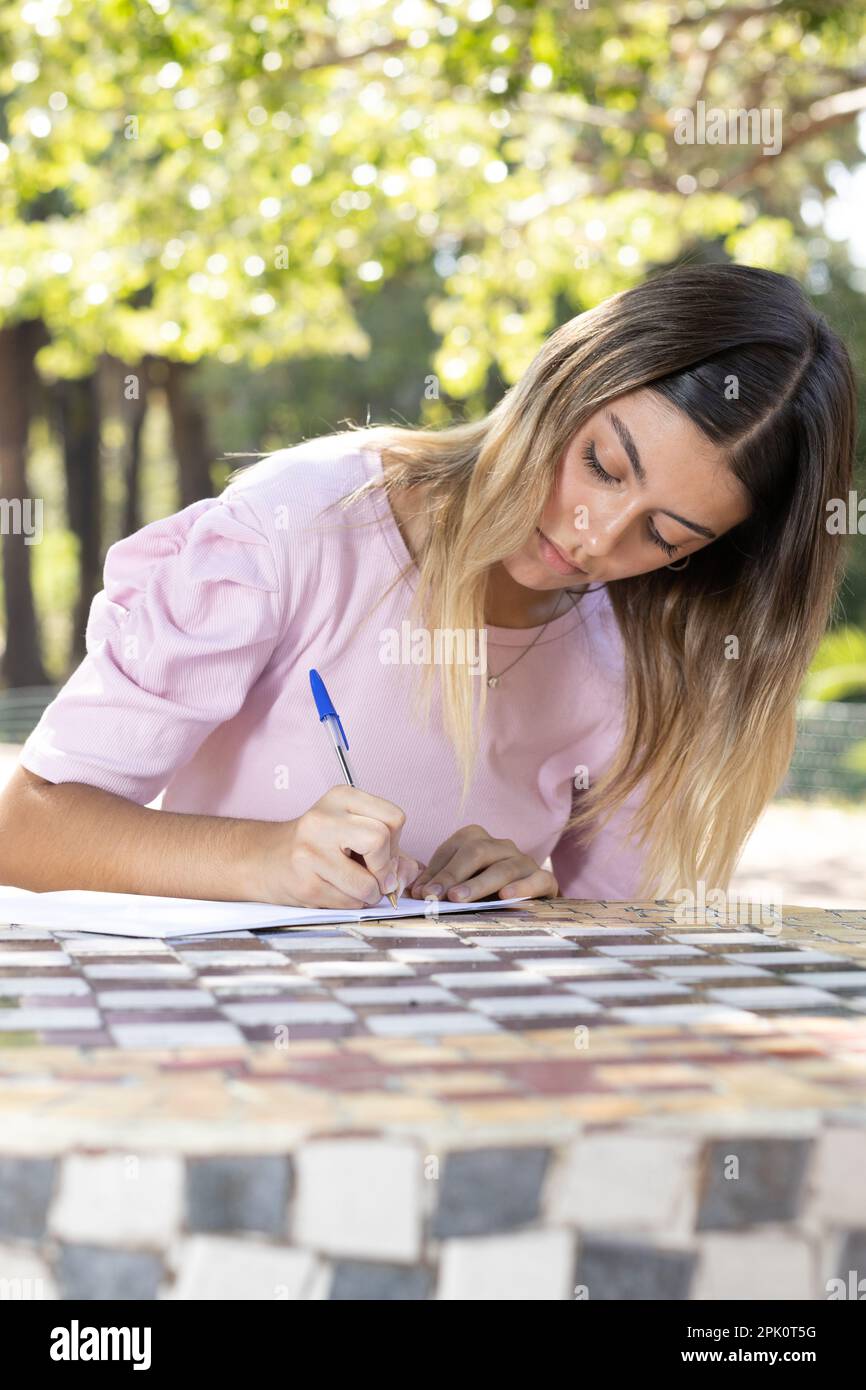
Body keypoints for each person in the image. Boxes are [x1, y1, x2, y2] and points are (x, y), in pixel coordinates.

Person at [0, 264, 855, 909]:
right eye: (600, 463)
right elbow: (28, 831)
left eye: (665, 534)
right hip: (227, 1083)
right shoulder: (307, 525)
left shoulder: (644, 660)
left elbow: (618, 976)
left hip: (465, 1101)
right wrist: (261, 858)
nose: (594, 535)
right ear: (563, 382)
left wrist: (538, 905)